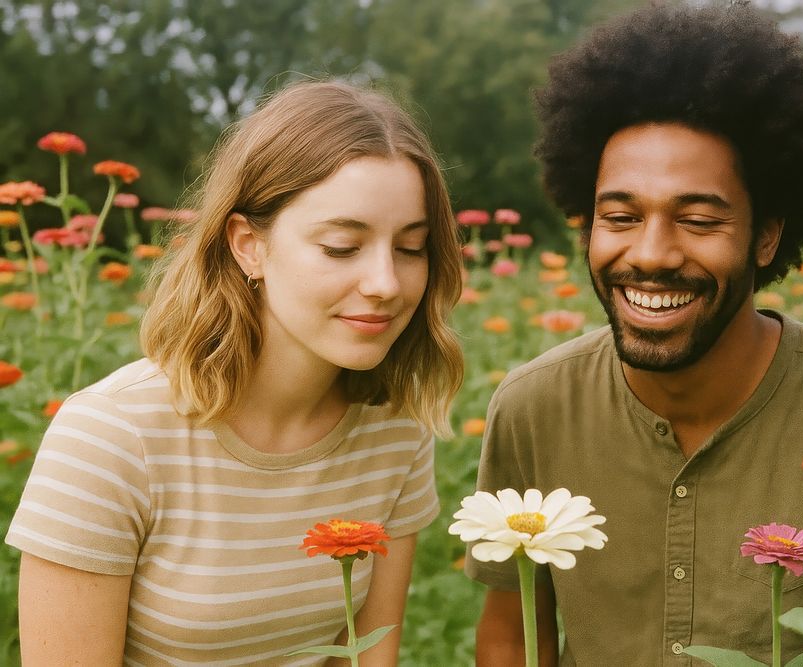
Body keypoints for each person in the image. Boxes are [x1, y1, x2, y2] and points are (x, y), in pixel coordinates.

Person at [467, 4, 803, 666]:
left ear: (767, 235)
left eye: (698, 220)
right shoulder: (533, 407)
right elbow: (509, 635)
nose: (651, 253)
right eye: (620, 215)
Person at [6, 80, 464, 665]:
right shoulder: (111, 437)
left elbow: (367, 656)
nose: (386, 283)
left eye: (411, 248)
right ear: (248, 244)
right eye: (343, 247)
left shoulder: (395, 431)